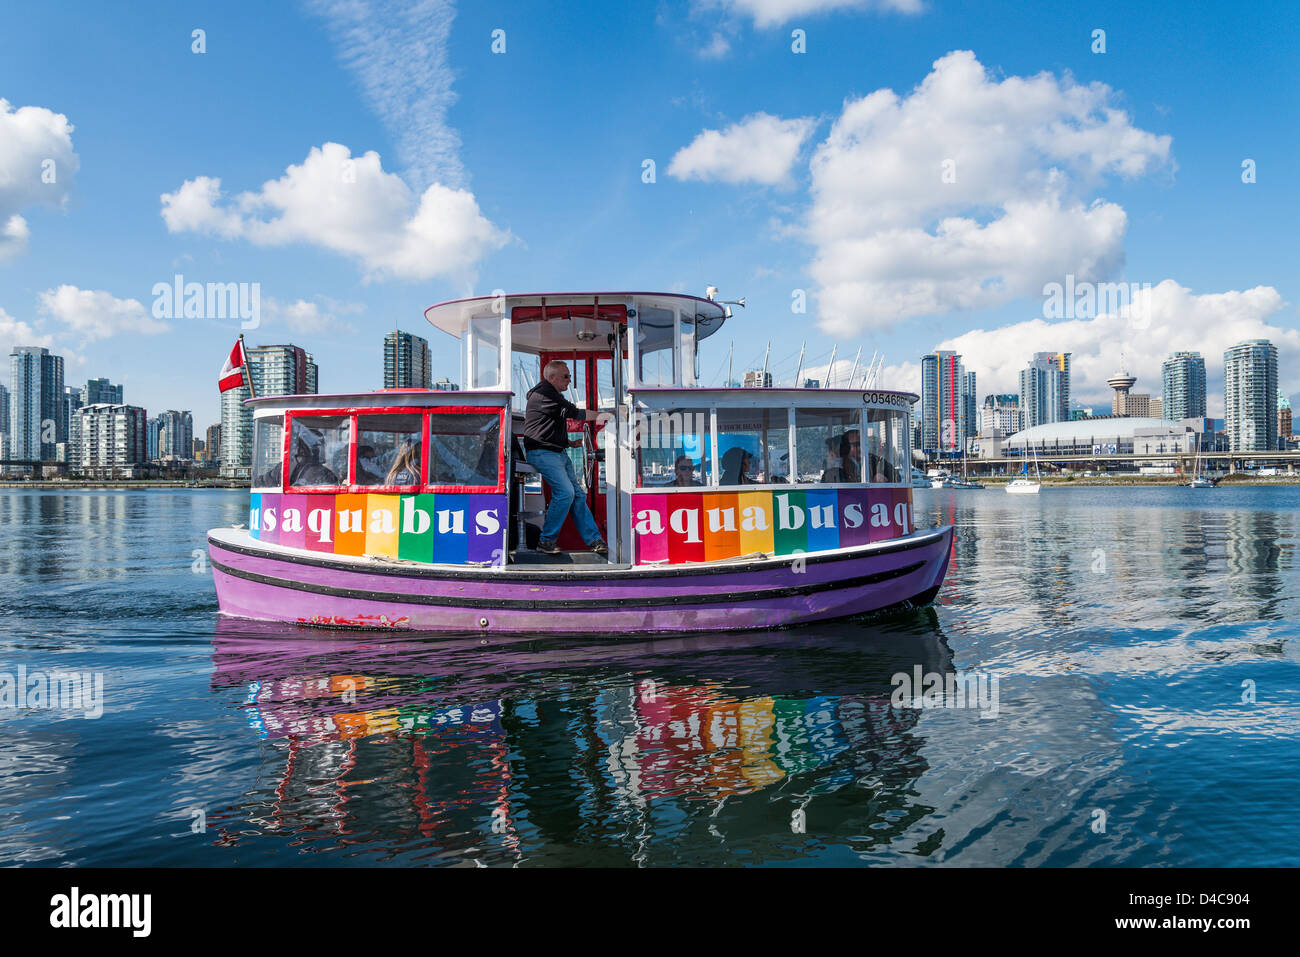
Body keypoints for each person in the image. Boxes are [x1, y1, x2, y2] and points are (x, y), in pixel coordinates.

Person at [521, 360, 607, 555]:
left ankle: (595, 540)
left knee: (577, 495)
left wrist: (569, 443)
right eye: (566, 376)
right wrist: (607, 415)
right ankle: (546, 541)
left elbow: (543, 427)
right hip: (543, 454)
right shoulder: (545, 394)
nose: (569, 380)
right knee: (566, 493)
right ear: (552, 378)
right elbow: (576, 413)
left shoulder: (550, 395)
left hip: (557, 452)